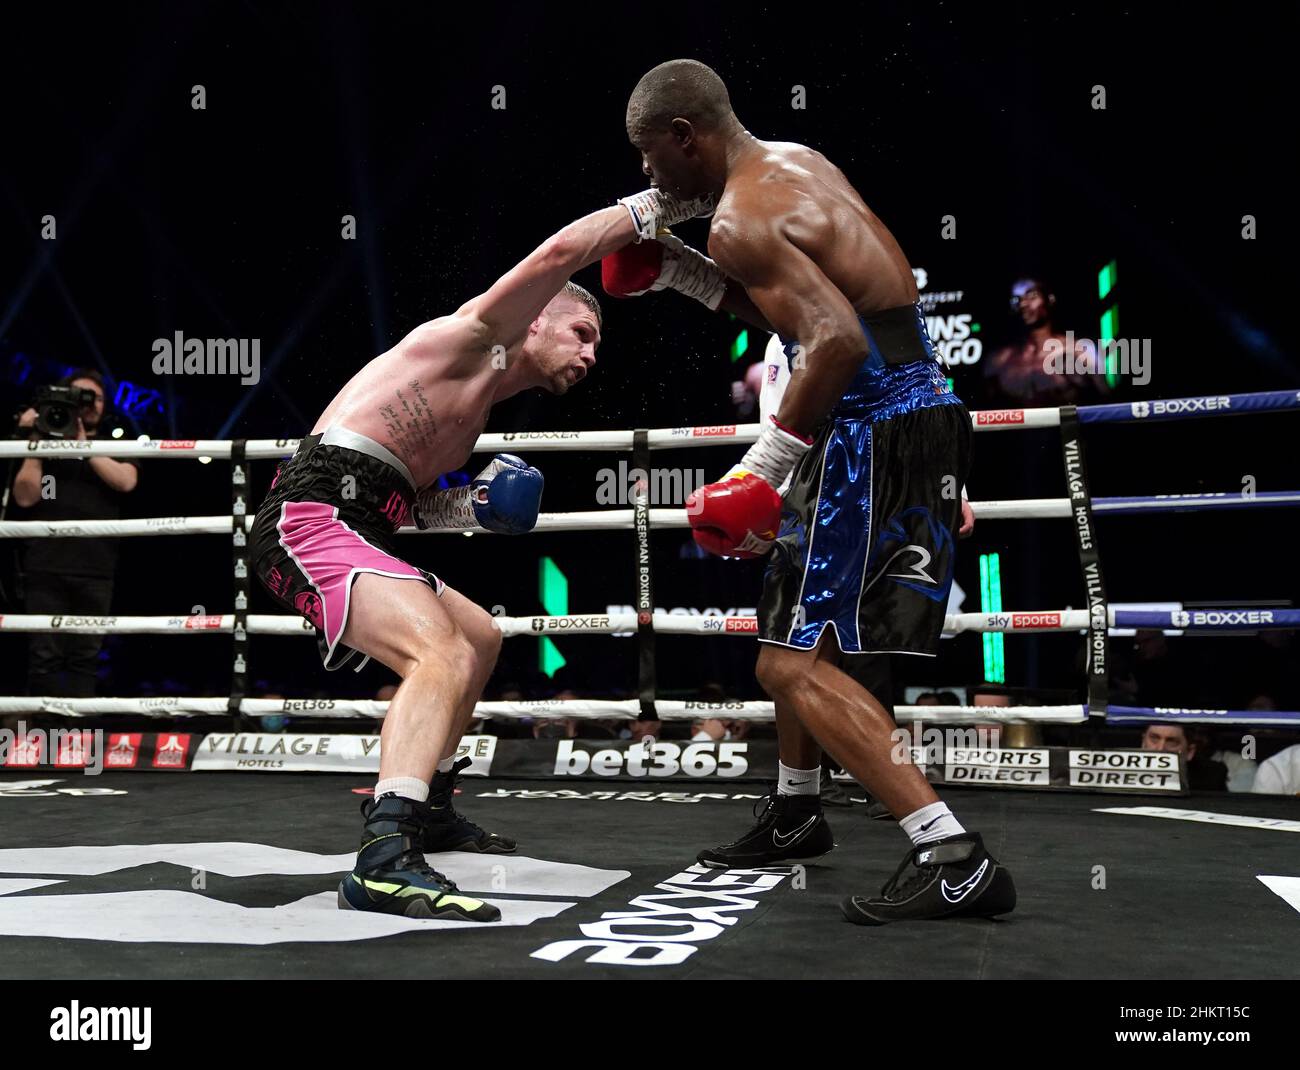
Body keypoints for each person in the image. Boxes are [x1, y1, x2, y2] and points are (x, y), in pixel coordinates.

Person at [603, 59, 1011, 924]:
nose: (648, 177)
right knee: (798, 636)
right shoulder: (795, 160)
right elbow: (807, 312)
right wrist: (677, 272)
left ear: (684, 137)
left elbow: (833, 344)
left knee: (785, 664)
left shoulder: (740, 219)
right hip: (905, 412)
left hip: (868, 427)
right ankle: (796, 810)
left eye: (649, 157)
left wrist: (763, 468)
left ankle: (953, 855)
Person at [249, 190, 710, 921]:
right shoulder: (467, 339)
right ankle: (385, 853)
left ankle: (428, 804)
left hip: (358, 524)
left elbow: (415, 507)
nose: (591, 355)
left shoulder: (469, 428)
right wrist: (668, 201)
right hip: (309, 518)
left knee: (480, 636)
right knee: (439, 655)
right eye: (583, 333)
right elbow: (562, 255)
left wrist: (477, 510)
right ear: (535, 320)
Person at [11, 370, 139, 697]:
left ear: (105, 404)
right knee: (44, 658)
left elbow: (125, 481)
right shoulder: (43, 443)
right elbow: (26, 496)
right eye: (79, 396)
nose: (87, 404)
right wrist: (36, 441)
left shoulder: (116, 441)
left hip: (95, 569)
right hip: (44, 564)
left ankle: (76, 741)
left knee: (85, 657)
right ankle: (45, 739)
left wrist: (84, 445)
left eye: (94, 397)